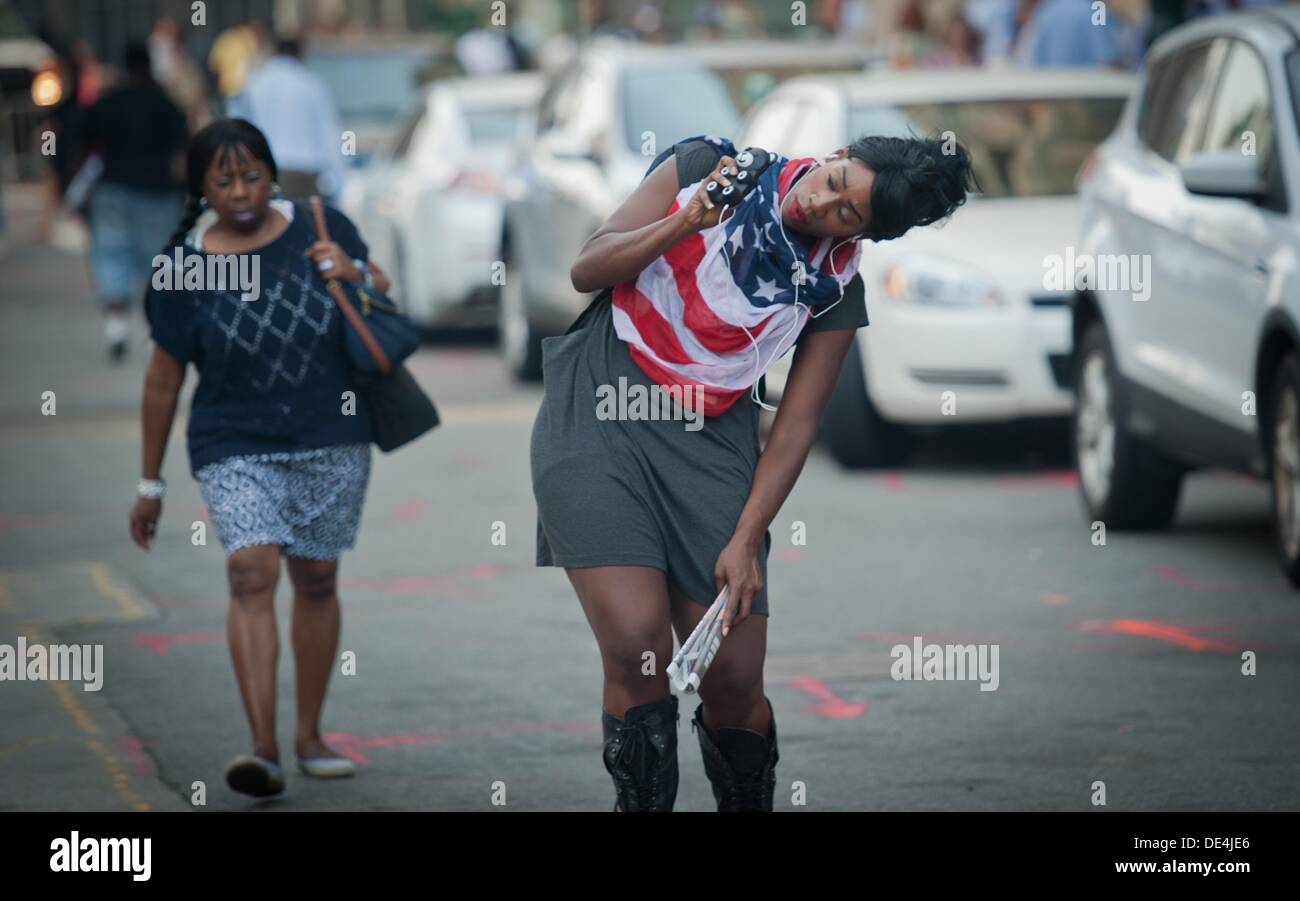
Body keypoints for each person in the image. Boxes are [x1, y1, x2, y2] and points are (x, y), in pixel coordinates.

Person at [530, 133, 975, 811]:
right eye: (833, 178)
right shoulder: (707, 167)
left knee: (732, 677)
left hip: (712, 438)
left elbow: (796, 425)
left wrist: (747, 538)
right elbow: (588, 268)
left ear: (865, 237)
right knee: (635, 644)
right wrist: (684, 220)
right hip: (602, 403)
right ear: (834, 154)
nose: (818, 203)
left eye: (846, 215)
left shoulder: (833, 291)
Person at [129, 118, 390, 798]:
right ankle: (264, 747)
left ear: (271, 174)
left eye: (251, 175)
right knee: (250, 570)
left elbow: (380, 292)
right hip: (232, 442)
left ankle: (309, 734)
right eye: (223, 179)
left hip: (329, 434)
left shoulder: (319, 223)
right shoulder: (182, 266)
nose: (241, 191)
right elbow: (162, 380)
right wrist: (150, 482)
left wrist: (354, 269)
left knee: (317, 580)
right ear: (201, 188)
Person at [72, 42, 187, 361]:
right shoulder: (164, 102)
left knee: (111, 255)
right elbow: (182, 149)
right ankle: (157, 333)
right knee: (156, 261)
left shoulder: (109, 101)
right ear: (149, 64)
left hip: (112, 188)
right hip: (158, 192)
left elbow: (82, 136)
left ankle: (116, 326)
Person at [227, 36, 346, 203]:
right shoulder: (311, 84)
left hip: (266, 172)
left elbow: (238, 126)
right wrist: (338, 183)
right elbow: (331, 135)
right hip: (304, 176)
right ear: (299, 54)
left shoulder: (255, 83)